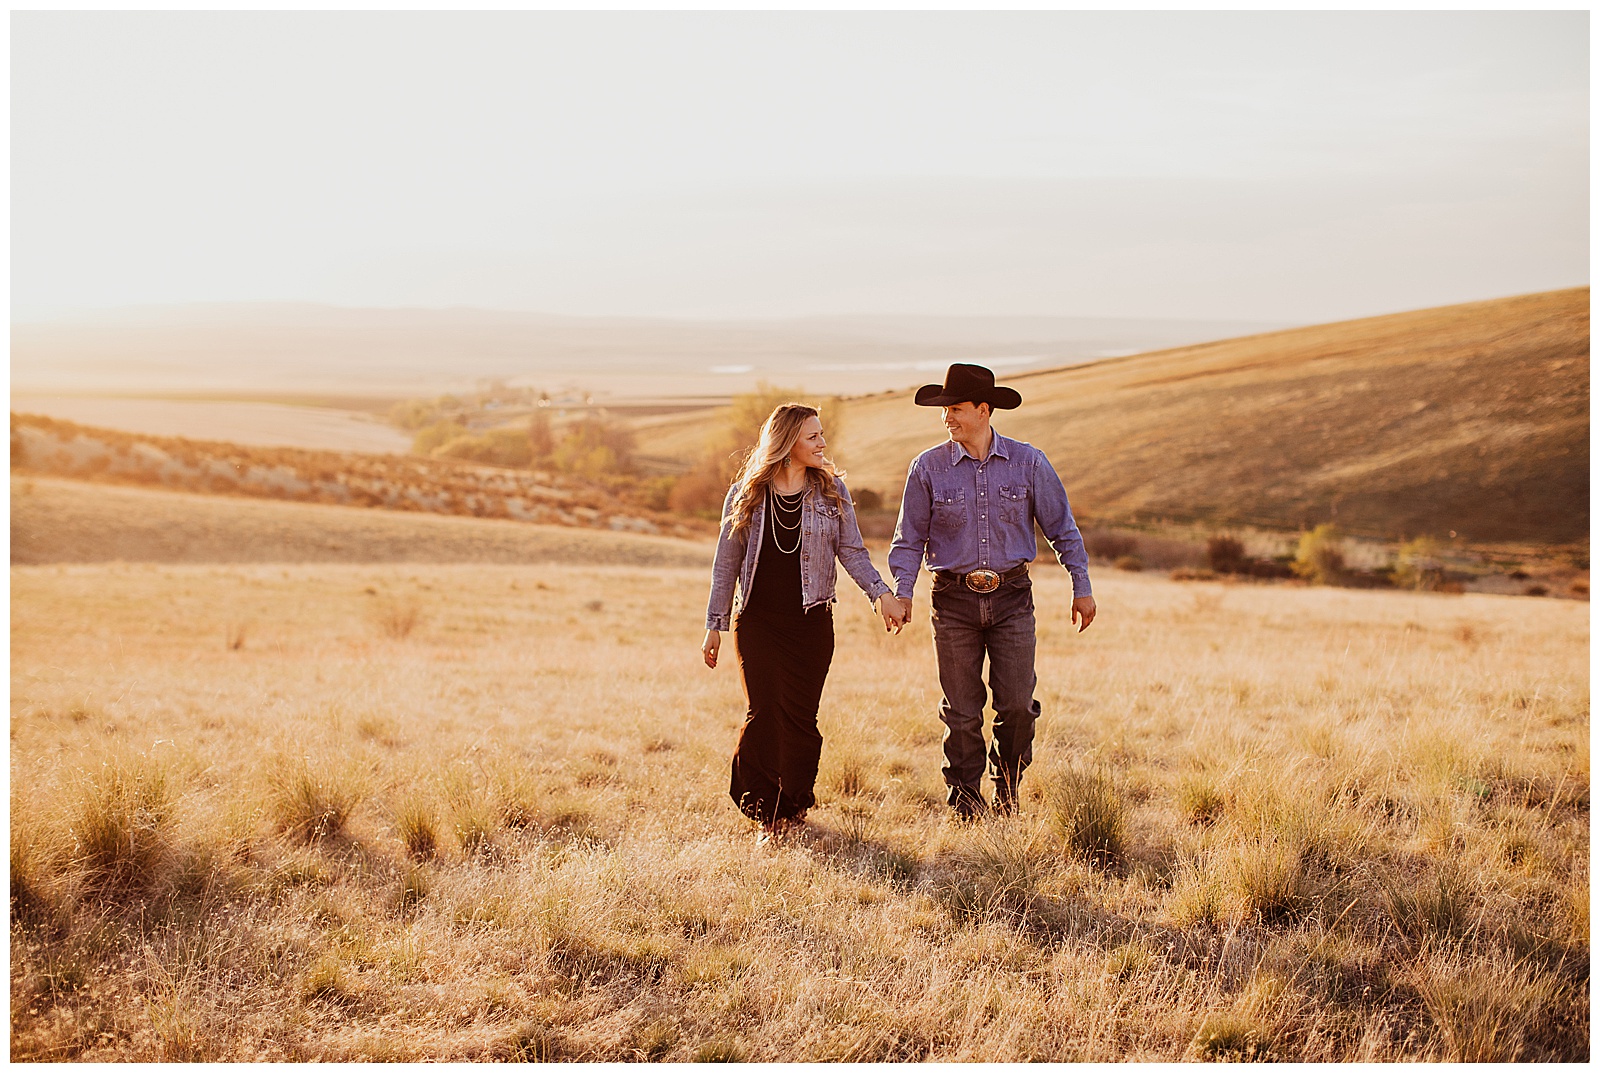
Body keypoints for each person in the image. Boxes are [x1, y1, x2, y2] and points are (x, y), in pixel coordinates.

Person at [888, 363, 1096, 820]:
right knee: (962, 711)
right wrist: (901, 593)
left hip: (1012, 599)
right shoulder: (927, 468)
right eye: (945, 411)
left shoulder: (1029, 462)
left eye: (956, 409)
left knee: (1018, 705)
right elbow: (908, 539)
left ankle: (1008, 787)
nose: (948, 419)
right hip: (953, 600)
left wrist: (1081, 585)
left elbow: (1063, 529)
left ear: (984, 411)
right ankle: (965, 799)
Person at [702, 403, 908, 840]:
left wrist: (881, 595)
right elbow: (726, 565)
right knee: (764, 712)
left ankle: (793, 804)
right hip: (757, 622)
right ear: (788, 441)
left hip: (811, 623)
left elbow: (851, 551)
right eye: (813, 436)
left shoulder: (832, 492)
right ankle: (765, 813)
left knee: (800, 719)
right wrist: (714, 626)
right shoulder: (746, 494)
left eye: (821, 435)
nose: (822, 443)